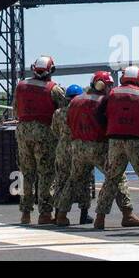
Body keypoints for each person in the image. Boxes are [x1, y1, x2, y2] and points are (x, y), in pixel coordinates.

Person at [55, 71, 132, 226]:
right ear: (101, 84)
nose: (110, 88)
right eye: (109, 85)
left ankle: (61, 214)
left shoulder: (75, 101)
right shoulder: (105, 101)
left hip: (78, 147)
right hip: (98, 145)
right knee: (117, 177)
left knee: (74, 180)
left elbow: (68, 124)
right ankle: (126, 214)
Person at [93, 65, 139, 229]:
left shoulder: (112, 94)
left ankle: (99, 219)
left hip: (115, 141)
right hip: (136, 140)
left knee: (111, 179)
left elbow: (98, 115)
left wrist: (111, 128)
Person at [14, 54, 68, 225]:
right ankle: (44, 213)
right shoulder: (54, 89)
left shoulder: (20, 86)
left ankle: (25, 213)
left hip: (23, 131)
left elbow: (15, 109)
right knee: (46, 173)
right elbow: (65, 111)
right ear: (51, 71)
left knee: (26, 173)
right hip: (44, 132)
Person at [50, 83, 92, 225]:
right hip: (79, 147)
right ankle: (84, 214)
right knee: (84, 180)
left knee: (61, 181)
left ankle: (58, 213)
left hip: (62, 149)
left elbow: (54, 131)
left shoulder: (58, 113)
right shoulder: (83, 111)